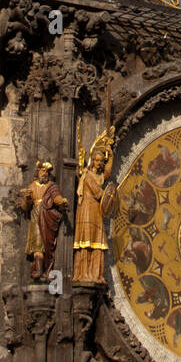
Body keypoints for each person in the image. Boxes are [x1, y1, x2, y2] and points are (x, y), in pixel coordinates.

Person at [73, 119, 117, 285]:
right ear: (92, 160)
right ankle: (83, 274)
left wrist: (110, 155)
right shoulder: (87, 176)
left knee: (97, 241)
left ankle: (96, 274)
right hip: (87, 209)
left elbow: (107, 173)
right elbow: (100, 194)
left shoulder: (99, 176)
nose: (99, 163)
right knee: (86, 240)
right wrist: (110, 197)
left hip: (96, 212)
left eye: (101, 160)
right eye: (96, 160)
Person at [21, 160, 67, 281]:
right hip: (36, 216)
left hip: (47, 217)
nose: (45, 173)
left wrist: (62, 201)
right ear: (38, 172)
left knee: (47, 245)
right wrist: (26, 199)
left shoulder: (52, 186)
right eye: (43, 171)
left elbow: (57, 198)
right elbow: (24, 207)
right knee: (37, 244)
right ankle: (38, 269)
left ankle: (46, 268)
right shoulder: (32, 186)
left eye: (47, 171)